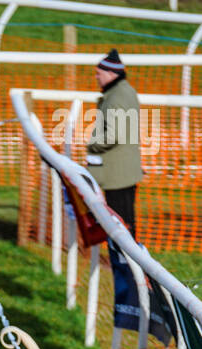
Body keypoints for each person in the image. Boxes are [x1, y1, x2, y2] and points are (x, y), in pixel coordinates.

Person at [86, 49, 143, 238]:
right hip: (123, 171)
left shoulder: (116, 97)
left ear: (111, 74)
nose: (96, 77)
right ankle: (129, 263)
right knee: (125, 223)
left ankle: (127, 265)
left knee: (121, 226)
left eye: (98, 73)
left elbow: (113, 135)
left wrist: (92, 144)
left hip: (117, 174)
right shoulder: (125, 91)